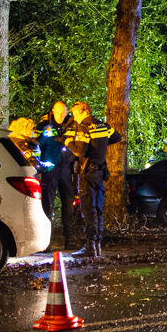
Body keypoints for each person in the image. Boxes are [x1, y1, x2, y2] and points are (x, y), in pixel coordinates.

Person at [66, 101, 119, 256]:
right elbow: (116, 137)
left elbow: (81, 151)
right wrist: (100, 146)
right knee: (98, 209)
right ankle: (98, 245)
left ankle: (90, 246)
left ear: (84, 112)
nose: (74, 117)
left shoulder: (84, 127)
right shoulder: (102, 126)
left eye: (75, 113)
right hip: (100, 172)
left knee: (88, 209)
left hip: (88, 173)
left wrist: (69, 142)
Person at [34, 101, 77, 248]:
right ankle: (46, 242)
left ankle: (69, 238)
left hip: (66, 168)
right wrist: (45, 135)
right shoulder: (44, 124)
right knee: (47, 205)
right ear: (53, 111)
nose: (60, 115)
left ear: (66, 112)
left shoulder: (71, 124)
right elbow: (36, 143)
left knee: (69, 204)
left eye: (62, 112)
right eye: (57, 112)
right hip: (50, 170)